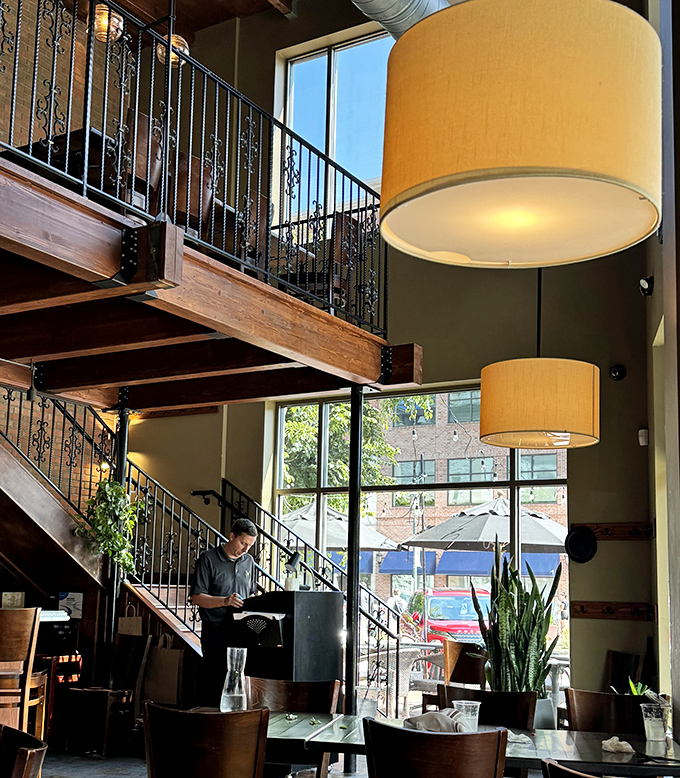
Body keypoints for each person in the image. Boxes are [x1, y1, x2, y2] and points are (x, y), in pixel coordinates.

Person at [190, 517, 258, 705]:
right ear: (231, 536)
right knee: (215, 683)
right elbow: (197, 597)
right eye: (243, 543)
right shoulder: (208, 559)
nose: (245, 550)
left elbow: (250, 594)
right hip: (215, 631)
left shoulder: (249, 562)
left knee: (241, 684)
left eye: (249, 546)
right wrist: (225, 601)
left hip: (243, 632)